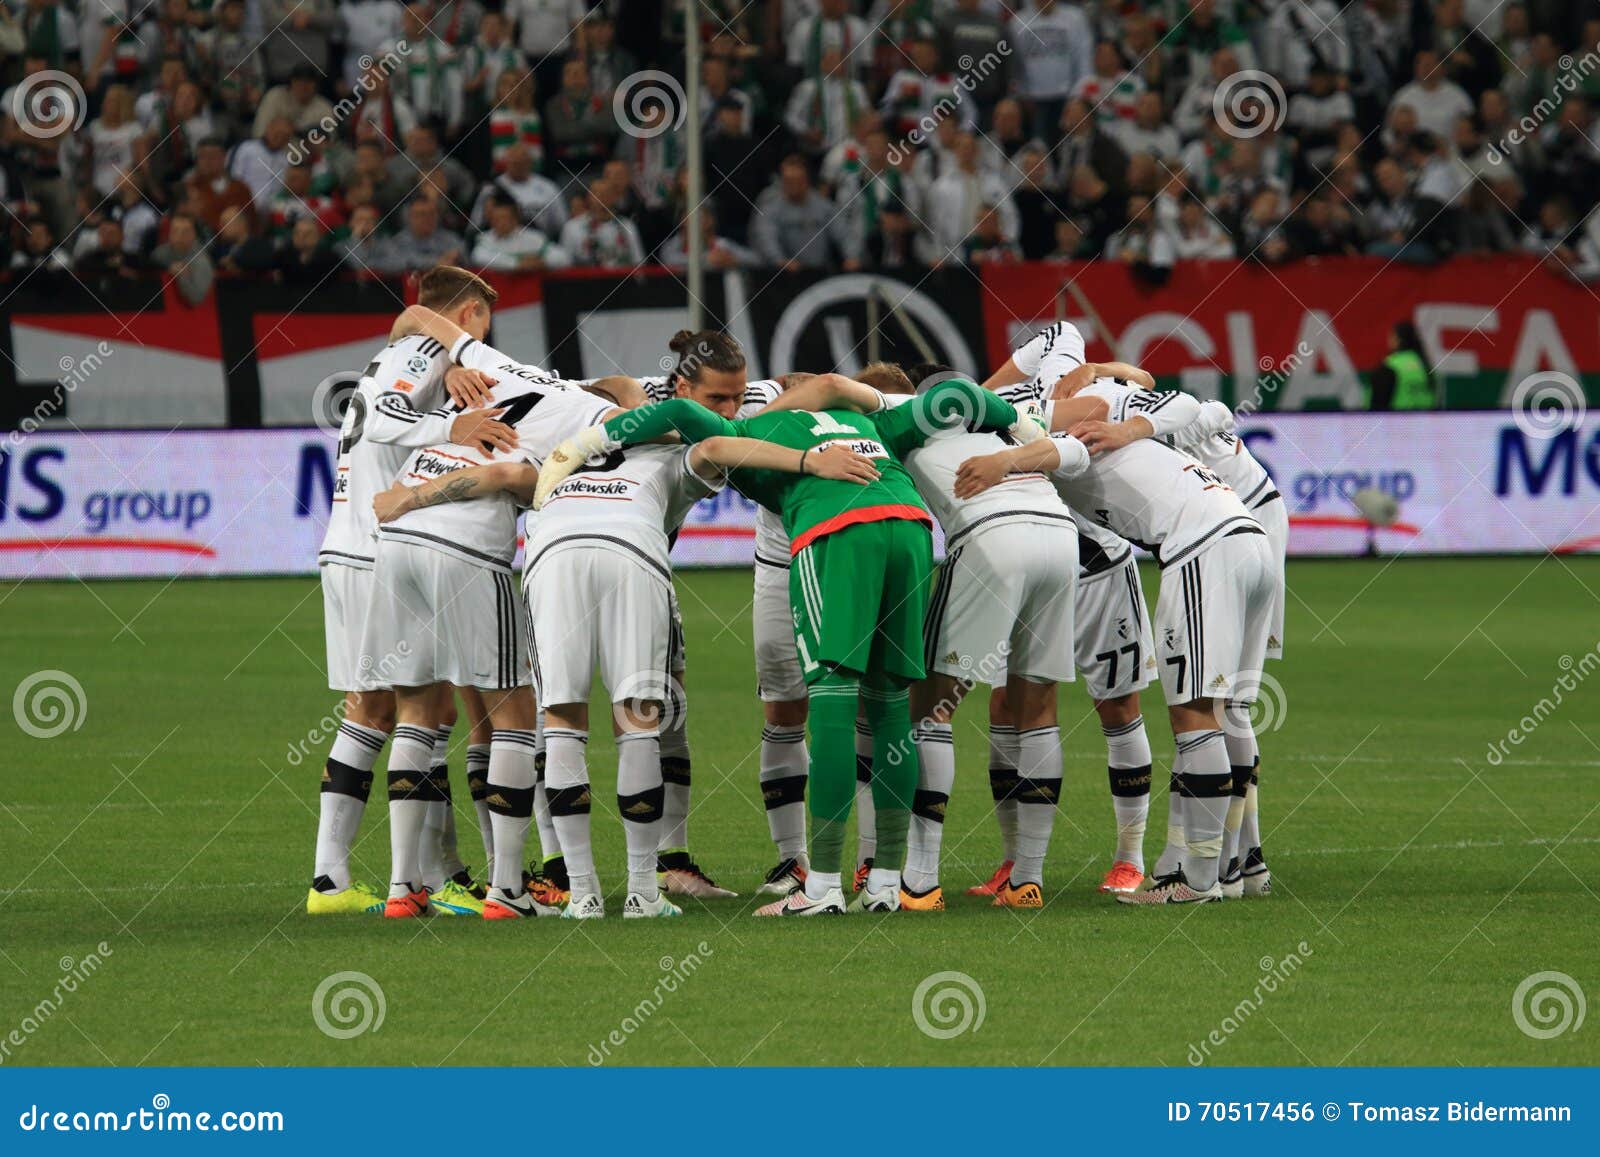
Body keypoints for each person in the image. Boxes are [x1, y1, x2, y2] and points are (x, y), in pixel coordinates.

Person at [536, 371, 1044, 914]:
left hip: (838, 533)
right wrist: (1023, 425)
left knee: (830, 698)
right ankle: (886, 884)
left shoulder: (755, 432)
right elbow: (952, 396)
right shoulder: (871, 421)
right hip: (913, 530)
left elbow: (684, 420)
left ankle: (821, 886)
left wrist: (579, 444)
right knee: (891, 704)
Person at [378, 423, 876, 917]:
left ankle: (585, 895)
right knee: (638, 719)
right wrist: (809, 458)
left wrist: (410, 495)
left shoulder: (561, 447)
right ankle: (642, 893)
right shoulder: (671, 452)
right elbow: (720, 445)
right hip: (631, 551)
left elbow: (504, 474)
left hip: (552, 556)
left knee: (562, 721)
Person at [955, 374, 1277, 905]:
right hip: (1248, 540)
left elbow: (1067, 447)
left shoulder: (1085, 434)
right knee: (1220, 712)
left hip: (1202, 548)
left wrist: (1002, 462)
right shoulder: (1116, 428)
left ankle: (1197, 883)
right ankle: (1222, 869)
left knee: (1192, 716)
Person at [306, 265, 512, 918]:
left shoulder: (403, 346)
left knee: (390, 709)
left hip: (350, 544)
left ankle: (420, 872)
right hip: (378, 548)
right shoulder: (422, 351)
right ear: (471, 311)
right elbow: (390, 417)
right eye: (485, 316)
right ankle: (380, 881)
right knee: (411, 710)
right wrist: (451, 428)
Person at [1367, 321, 1436, 410]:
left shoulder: (1390, 366)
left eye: (1391, 336)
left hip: (1397, 423)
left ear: (1397, 339)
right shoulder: (1425, 365)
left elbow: (1377, 408)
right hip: (1425, 422)